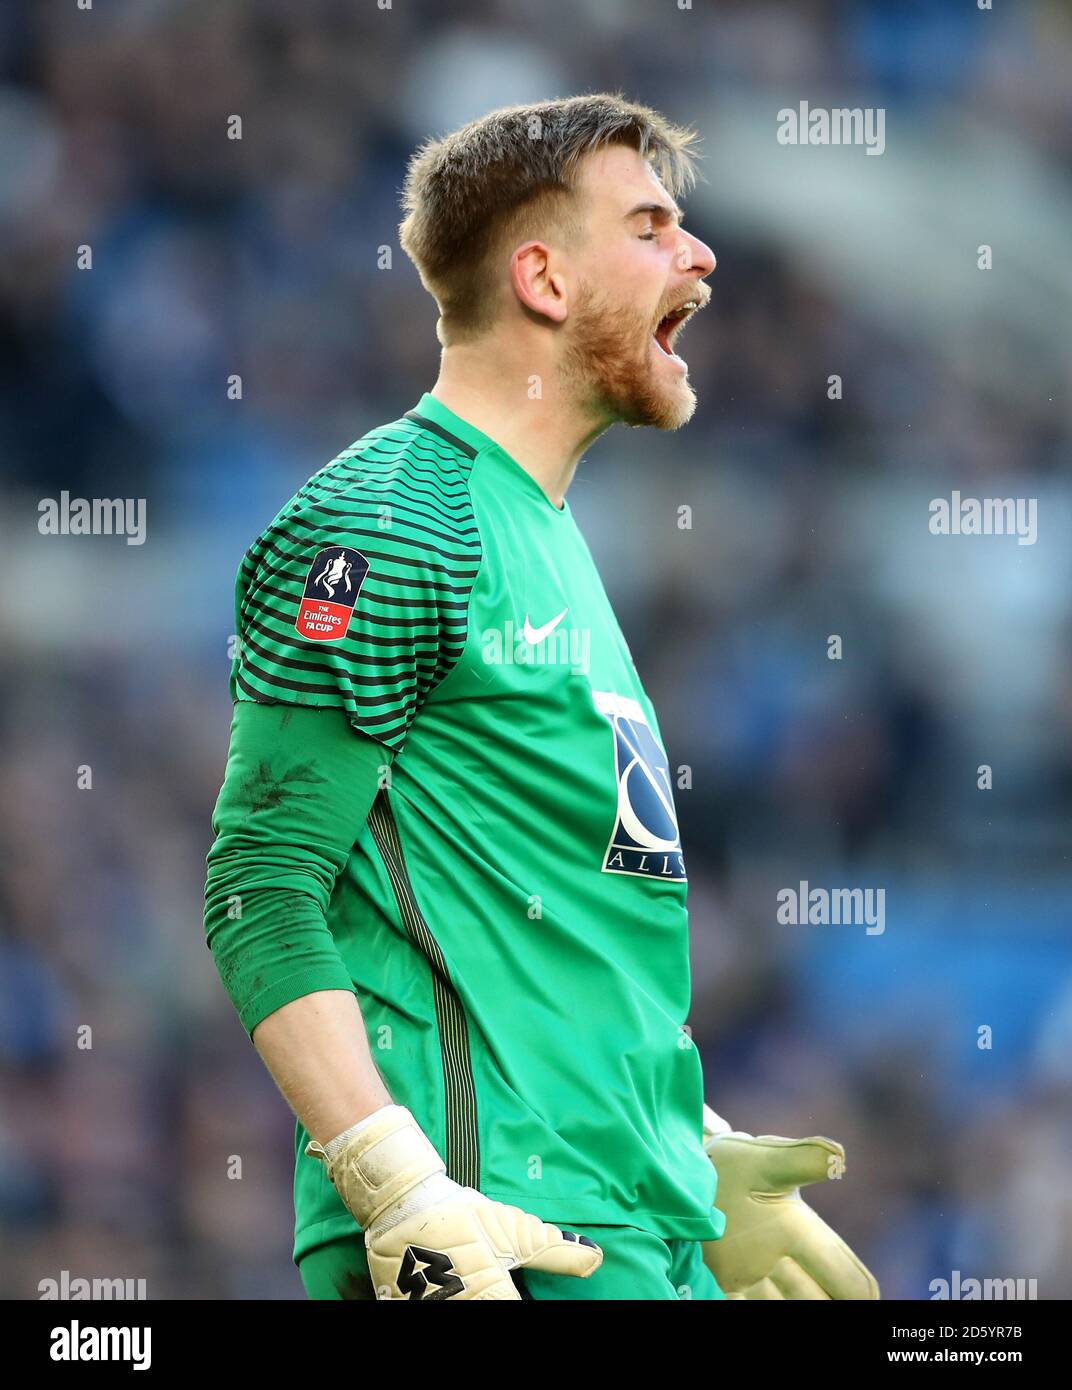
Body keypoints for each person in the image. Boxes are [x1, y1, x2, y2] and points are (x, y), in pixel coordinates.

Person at [204, 93, 878, 1301]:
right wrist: (394, 1187)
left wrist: (687, 1151)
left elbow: (549, 937)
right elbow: (260, 885)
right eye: (651, 225)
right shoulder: (393, 520)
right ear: (544, 279)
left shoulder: (545, 532)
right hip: (488, 1231)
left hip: (614, 1217)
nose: (700, 254)